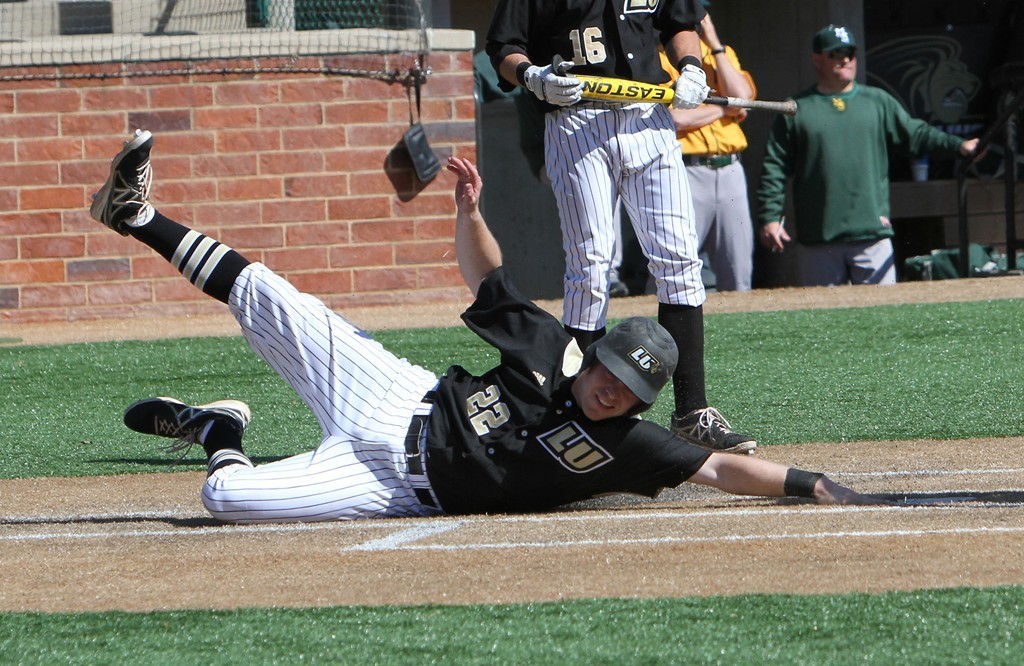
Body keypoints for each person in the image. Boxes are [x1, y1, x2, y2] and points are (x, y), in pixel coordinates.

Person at [90, 130, 874, 523]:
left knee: (229, 499)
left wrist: (812, 485)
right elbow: (485, 278)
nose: (610, 391)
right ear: (597, 354)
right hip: (403, 400)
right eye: (611, 373)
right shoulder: (557, 347)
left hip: (395, 486)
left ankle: (215, 424)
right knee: (270, 295)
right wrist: (471, 213)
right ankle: (138, 215)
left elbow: (723, 471)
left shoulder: (626, 441)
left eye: (629, 392)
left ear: (641, 405)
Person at [486, 0, 756, 453]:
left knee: (679, 261)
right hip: (576, 120)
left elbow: (680, 22)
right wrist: (533, 76)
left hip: (649, 117)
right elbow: (503, 48)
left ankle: (692, 412)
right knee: (590, 268)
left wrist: (690, 67)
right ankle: (573, 415)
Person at [756, 24, 981, 287]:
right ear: (817, 59)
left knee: (882, 321)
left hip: (872, 234)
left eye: (850, 53)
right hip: (819, 239)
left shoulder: (878, 101)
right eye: (835, 53)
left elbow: (916, 134)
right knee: (822, 323)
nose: (845, 59)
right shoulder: (797, 108)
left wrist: (958, 145)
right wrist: (770, 217)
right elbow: (774, 167)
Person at [660, 8, 756, 292]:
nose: (694, 18)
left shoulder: (720, 54)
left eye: (699, 12)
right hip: (687, 170)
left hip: (730, 170)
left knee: (739, 273)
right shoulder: (660, 57)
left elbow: (741, 99)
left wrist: (716, 45)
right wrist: (726, 109)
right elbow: (675, 118)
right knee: (675, 268)